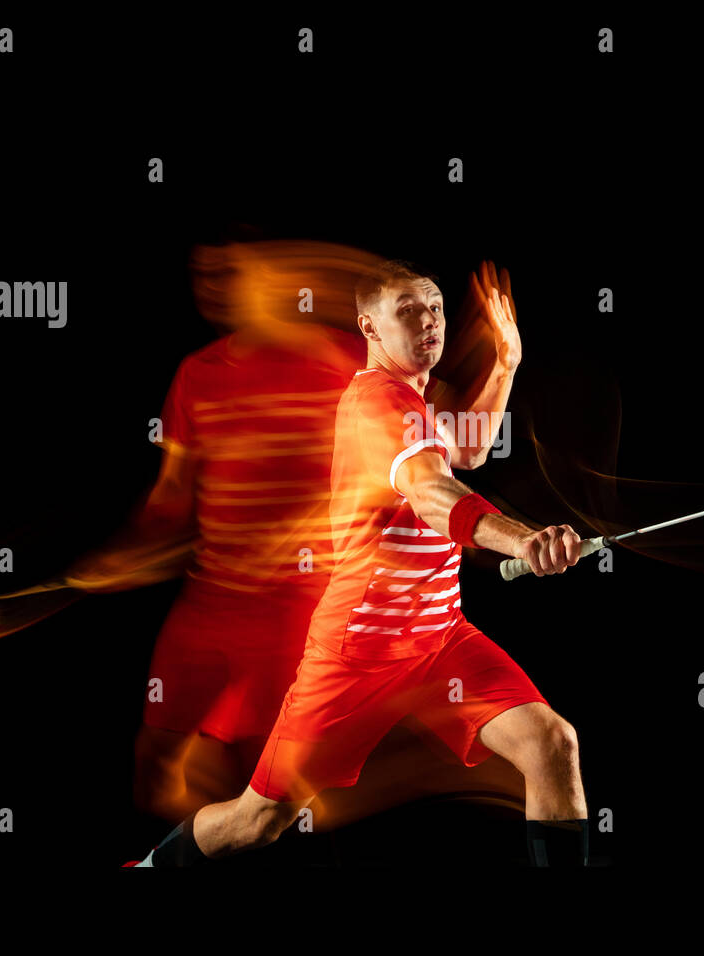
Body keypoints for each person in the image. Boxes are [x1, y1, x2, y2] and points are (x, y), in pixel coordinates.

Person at [132, 259, 590, 867]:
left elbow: (470, 450)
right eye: (407, 312)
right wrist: (523, 540)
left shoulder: (412, 400)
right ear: (369, 327)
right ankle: (151, 866)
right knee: (258, 820)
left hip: (438, 637)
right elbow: (432, 493)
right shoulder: (379, 404)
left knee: (551, 742)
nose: (428, 321)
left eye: (434, 308)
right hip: (358, 654)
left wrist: (505, 363)